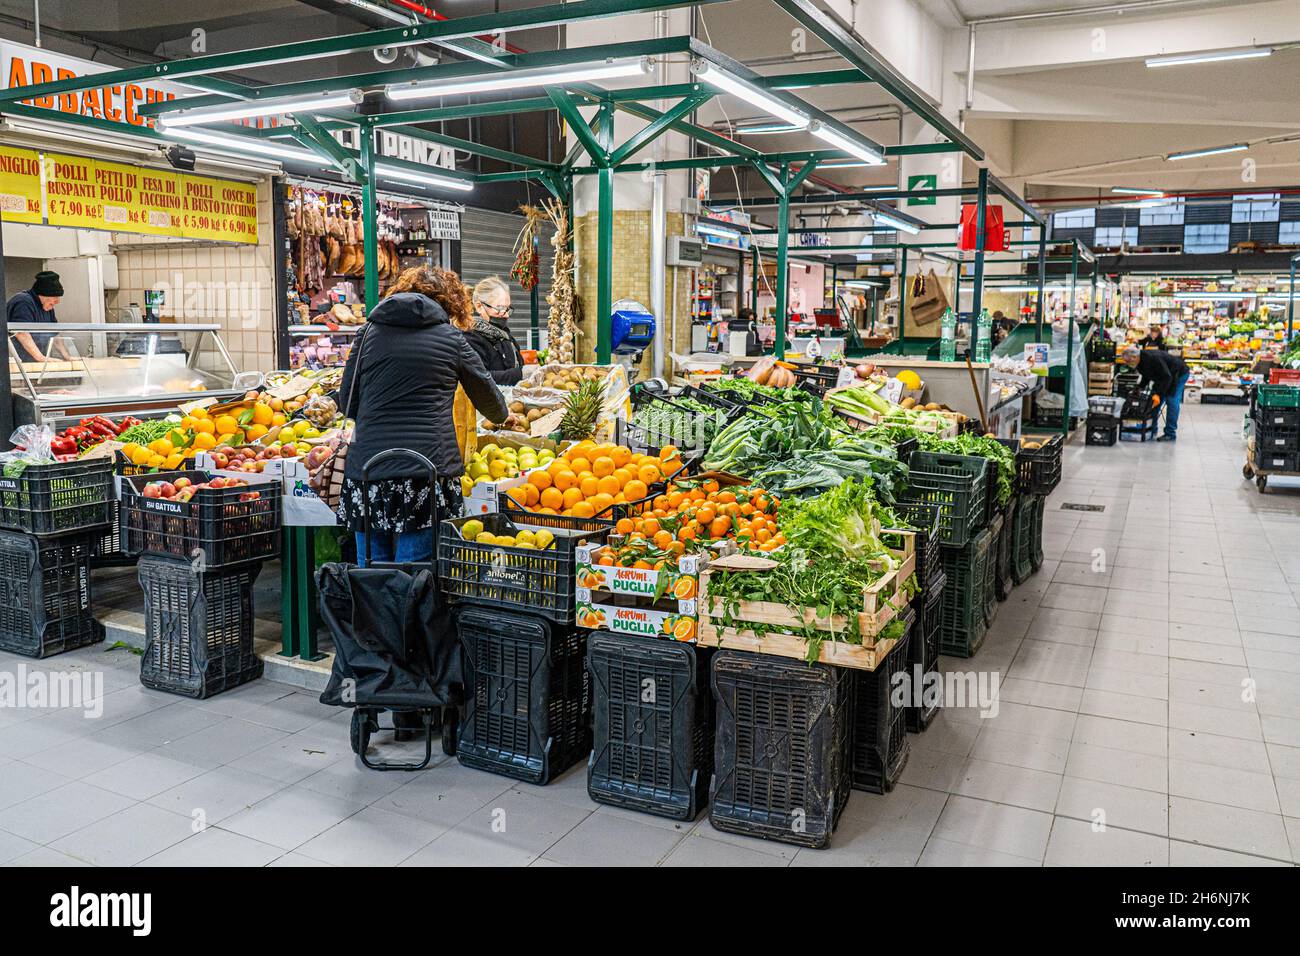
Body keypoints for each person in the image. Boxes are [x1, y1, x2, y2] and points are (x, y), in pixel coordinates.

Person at [338, 266, 515, 565]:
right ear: (451, 303)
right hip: (426, 471)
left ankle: (375, 613)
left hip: (368, 469)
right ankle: (407, 611)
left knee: (370, 573)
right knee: (414, 573)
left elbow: (347, 403)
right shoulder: (452, 340)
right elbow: (495, 408)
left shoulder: (366, 334)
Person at [1119, 345, 1190, 442]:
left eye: (1128, 361)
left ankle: (1170, 433)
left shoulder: (1153, 358)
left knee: (1171, 401)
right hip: (1163, 378)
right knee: (1152, 402)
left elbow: (1167, 377)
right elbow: (1146, 376)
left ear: (1134, 357)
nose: (1127, 364)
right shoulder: (1139, 361)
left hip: (1178, 374)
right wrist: (1139, 387)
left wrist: (1158, 393)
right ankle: (1151, 430)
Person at [465, 275, 524, 385]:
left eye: (507, 309)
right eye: (500, 308)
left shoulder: (506, 337)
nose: (505, 315)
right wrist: (520, 374)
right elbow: (479, 378)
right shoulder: (469, 338)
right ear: (479, 307)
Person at [6, 270, 64, 361]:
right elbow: (21, 332)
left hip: (35, 362)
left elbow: (55, 335)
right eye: (53, 302)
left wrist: (67, 357)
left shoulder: (47, 307)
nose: (54, 305)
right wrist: (40, 357)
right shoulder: (23, 301)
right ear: (44, 295)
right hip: (17, 362)